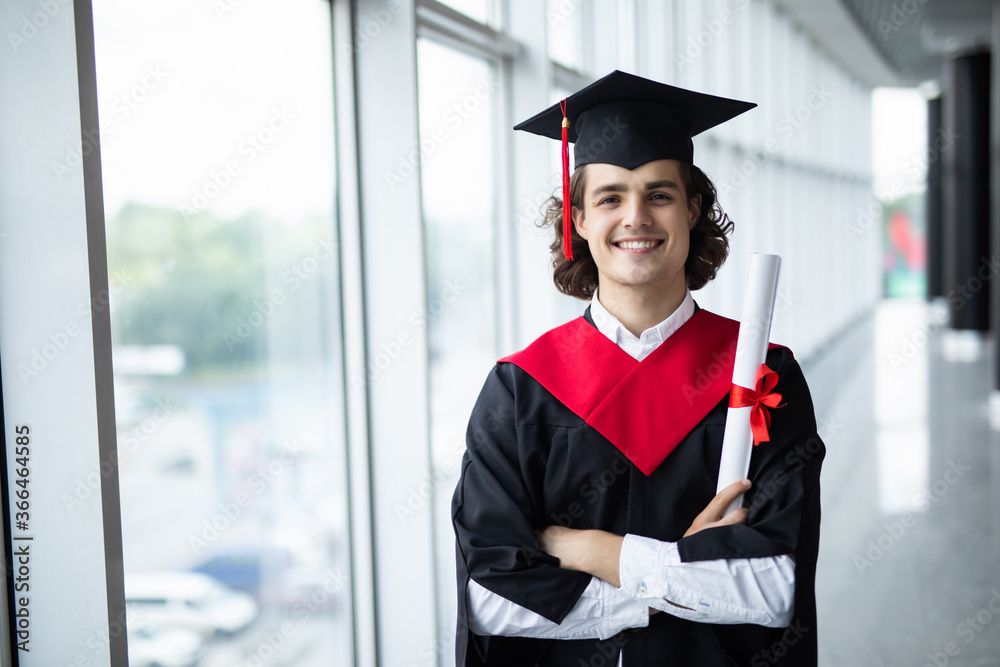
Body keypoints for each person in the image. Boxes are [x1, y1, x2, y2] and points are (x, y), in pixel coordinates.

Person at [452, 70, 824, 666]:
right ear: (577, 220)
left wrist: (593, 550)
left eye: (659, 194)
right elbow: (490, 598)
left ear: (693, 208)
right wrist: (670, 582)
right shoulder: (520, 392)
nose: (636, 217)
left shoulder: (762, 375)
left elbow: (773, 588)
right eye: (609, 197)